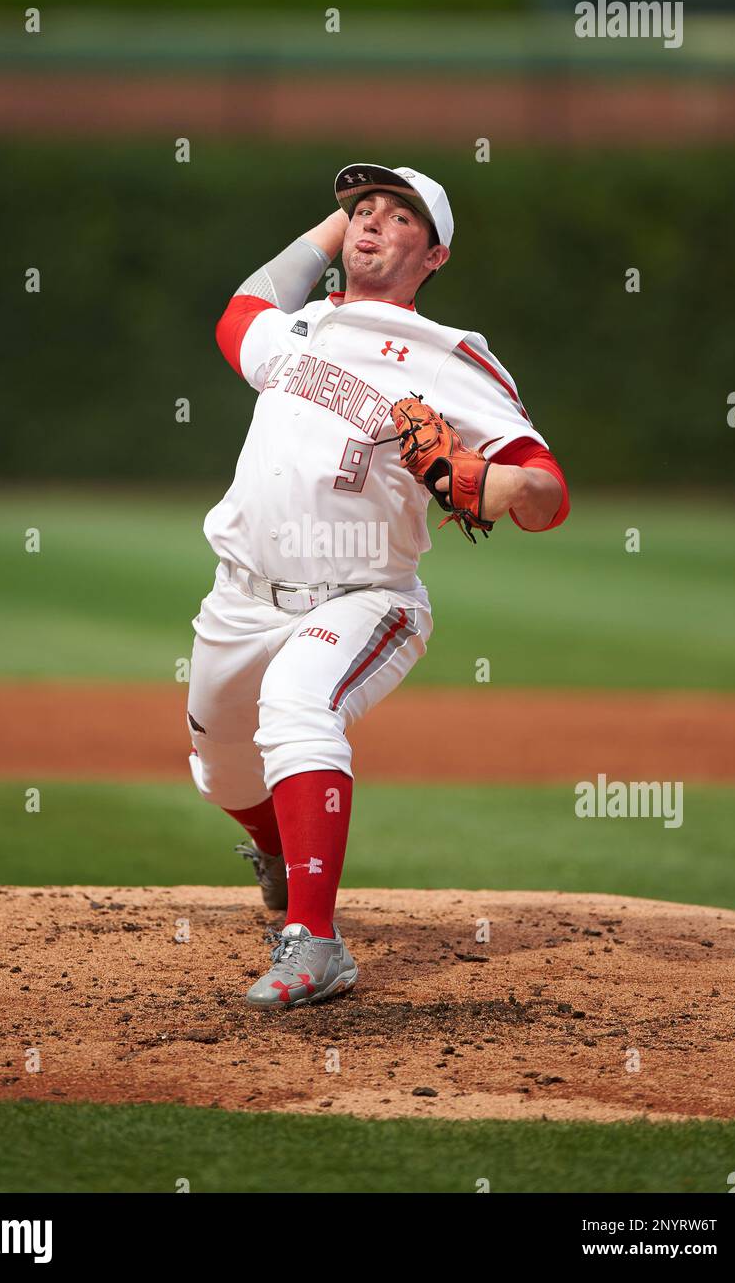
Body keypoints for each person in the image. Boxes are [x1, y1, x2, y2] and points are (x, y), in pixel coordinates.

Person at [187, 163, 569, 1008]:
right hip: (240, 596)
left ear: (434, 257)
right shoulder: (299, 331)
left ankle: (315, 943)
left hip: (365, 597)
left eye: (400, 217)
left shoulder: (455, 355)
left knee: (298, 704)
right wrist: (334, 224)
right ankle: (280, 854)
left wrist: (489, 484)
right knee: (219, 770)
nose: (371, 222)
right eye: (363, 209)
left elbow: (548, 495)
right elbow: (240, 310)